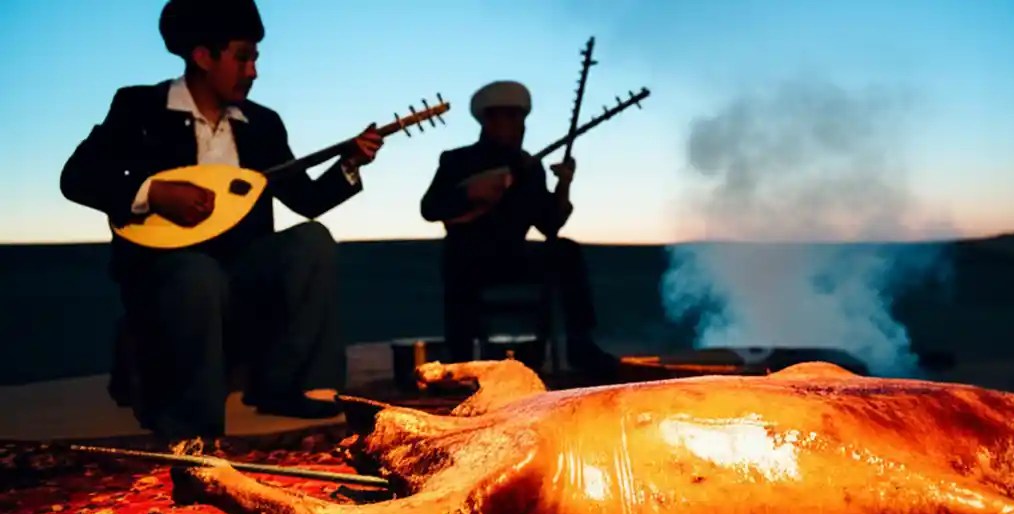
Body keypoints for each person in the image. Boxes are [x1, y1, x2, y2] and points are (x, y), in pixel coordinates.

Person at [59, 0, 383, 447]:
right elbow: (77, 178)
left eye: (255, 59)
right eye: (243, 56)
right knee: (197, 274)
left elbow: (305, 200)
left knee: (312, 240)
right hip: (166, 267)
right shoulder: (140, 107)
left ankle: (284, 387)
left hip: (244, 268)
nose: (253, 71)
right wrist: (153, 193)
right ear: (203, 57)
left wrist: (349, 164)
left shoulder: (262, 125)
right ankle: (194, 420)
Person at [420, 80, 617, 375]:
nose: (518, 125)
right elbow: (430, 208)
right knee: (457, 258)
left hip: (514, 256)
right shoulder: (458, 161)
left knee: (566, 251)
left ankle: (581, 345)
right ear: (488, 120)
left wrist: (564, 184)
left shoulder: (529, 167)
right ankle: (460, 358)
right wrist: (471, 193)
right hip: (470, 258)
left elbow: (550, 225)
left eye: (520, 117)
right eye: (509, 117)